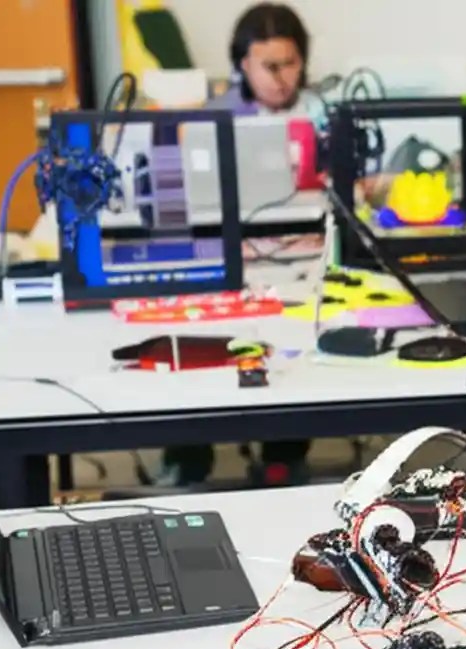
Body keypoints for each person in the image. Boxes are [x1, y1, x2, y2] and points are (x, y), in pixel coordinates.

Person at [163, 1, 314, 487]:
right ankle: (189, 462)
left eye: (289, 63)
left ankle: (282, 457)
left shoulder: (323, 114)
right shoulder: (212, 121)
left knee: (298, 344)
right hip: (228, 253)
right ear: (242, 65)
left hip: (305, 255)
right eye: (267, 65)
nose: (280, 77)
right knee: (197, 338)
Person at [206, 2, 311, 116]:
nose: (279, 78)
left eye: (289, 64)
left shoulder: (321, 111)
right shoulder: (214, 117)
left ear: (301, 61)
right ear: (245, 65)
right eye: (270, 66)